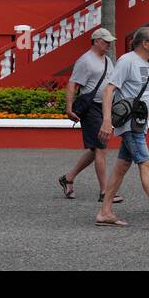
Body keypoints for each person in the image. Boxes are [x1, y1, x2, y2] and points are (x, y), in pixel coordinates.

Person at [95, 26, 149, 229]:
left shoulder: (145, 64)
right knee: (146, 164)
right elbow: (110, 90)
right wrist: (107, 120)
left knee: (121, 166)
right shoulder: (127, 61)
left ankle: (105, 212)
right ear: (144, 43)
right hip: (129, 124)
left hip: (139, 122)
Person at [58, 28, 123, 203]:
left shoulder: (108, 60)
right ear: (96, 41)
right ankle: (105, 192)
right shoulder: (85, 61)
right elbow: (73, 84)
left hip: (105, 107)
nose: (109, 44)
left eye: (109, 41)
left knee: (96, 148)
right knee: (101, 147)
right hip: (91, 108)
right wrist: (69, 108)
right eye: (106, 41)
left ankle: (68, 178)